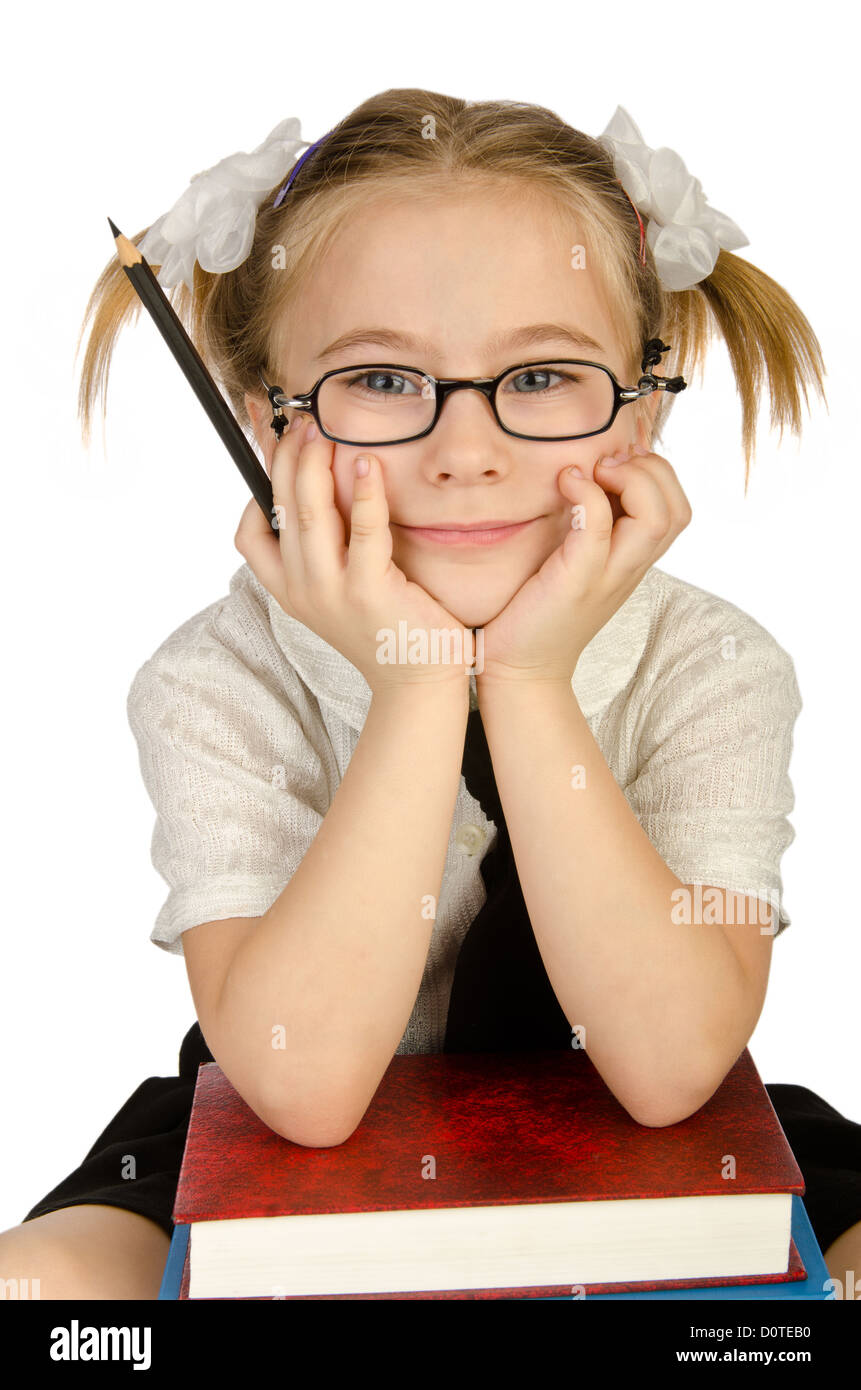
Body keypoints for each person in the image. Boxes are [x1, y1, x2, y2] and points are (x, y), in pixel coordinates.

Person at [2, 88, 859, 1301]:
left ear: (647, 407)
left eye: (546, 374)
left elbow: (670, 1069)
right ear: (265, 423)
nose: (468, 451)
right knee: (40, 1288)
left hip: (658, 1125)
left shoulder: (716, 665)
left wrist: (528, 676)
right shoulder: (213, 684)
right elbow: (300, 1088)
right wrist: (415, 690)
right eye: (386, 382)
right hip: (274, 1133)